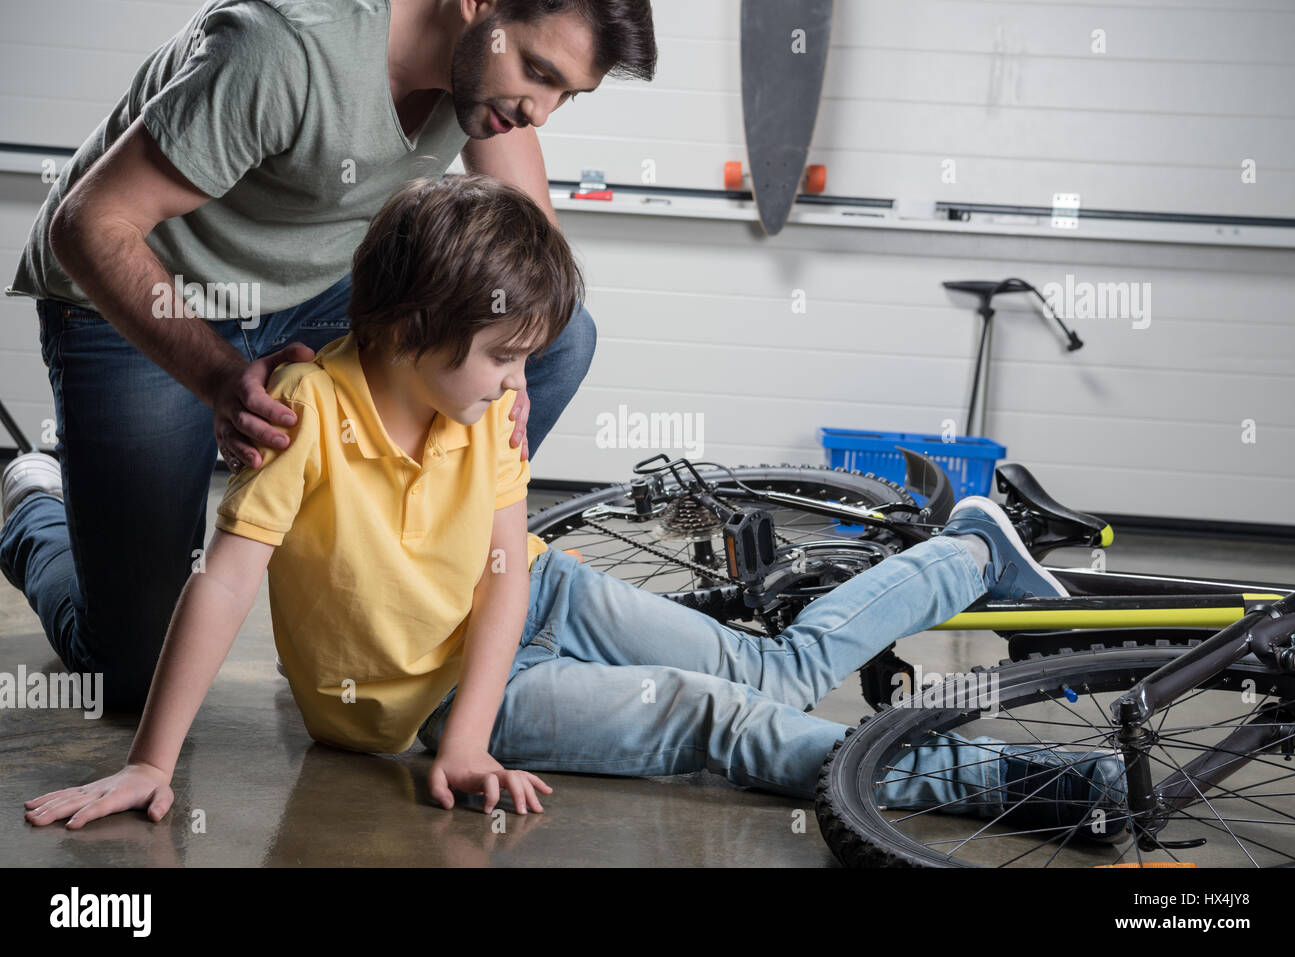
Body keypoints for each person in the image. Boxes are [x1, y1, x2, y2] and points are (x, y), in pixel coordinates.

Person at [21, 175, 1124, 834]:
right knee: (723, 719)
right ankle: (1026, 789)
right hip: (432, 696)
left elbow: (509, 573)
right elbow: (223, 583)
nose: (516, 386)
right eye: (502, 358)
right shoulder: (307, 415)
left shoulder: (483, 418)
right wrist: (155, 765)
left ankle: (969, 552)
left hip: (526, 604)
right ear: (409, 331)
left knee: (764, 666)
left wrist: (468, 726)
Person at [0, 0, 656, 713]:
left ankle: (362, 593)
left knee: (557, 343)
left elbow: (534, 274)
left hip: (308, 293)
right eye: (537, 73)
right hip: (139, 293)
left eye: (567, 93)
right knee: (130, 675)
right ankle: (35, 502)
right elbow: (89, 225)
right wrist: (222, 379)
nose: (542, 112)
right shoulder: (282, 48)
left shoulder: (489, 91)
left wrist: (519, 365)